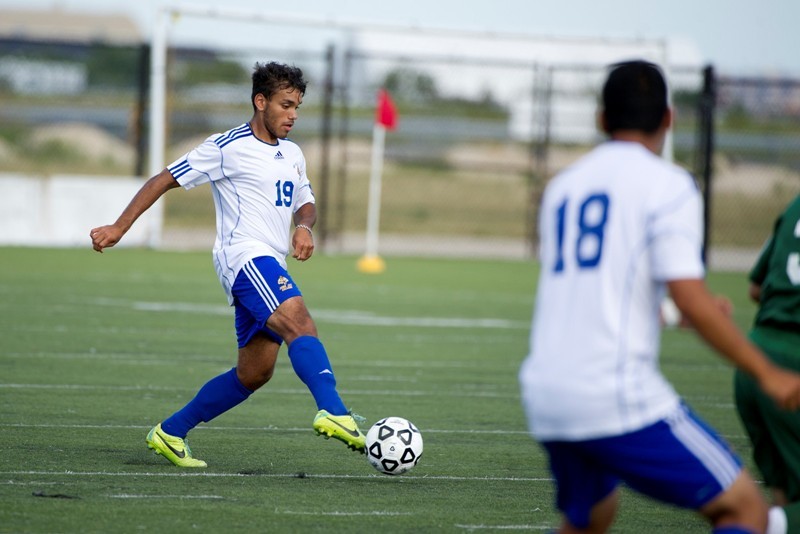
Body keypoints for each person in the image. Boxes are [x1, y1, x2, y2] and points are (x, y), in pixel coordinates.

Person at [518, 60, 800, 534]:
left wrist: (676, 310)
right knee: (745, 510)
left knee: (590, 518)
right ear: (669, 119)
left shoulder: (562, 188)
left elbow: (604, 286)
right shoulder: (669, 186)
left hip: (546, 392)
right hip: (613, 394)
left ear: (601, 119)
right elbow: (688, 295)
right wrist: (767, 373)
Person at [90, 61, 365, 468]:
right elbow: (163, 179)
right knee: (300, 323)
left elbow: (305, 202)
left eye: (298, 107)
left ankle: (170, 432)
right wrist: (119, 227)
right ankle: (334, 410)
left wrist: (304, 227)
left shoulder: (292, 153)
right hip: (244, 258)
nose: (293, 115)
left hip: (271, 261)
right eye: (286, 105)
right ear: (260, 101)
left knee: (254, 374)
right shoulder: (226, 147)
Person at [734, 194, 800, 534]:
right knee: (778, 519)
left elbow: (756, 288)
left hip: (755, 360)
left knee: (786, 497)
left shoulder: (794, 205)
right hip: (792, 368)